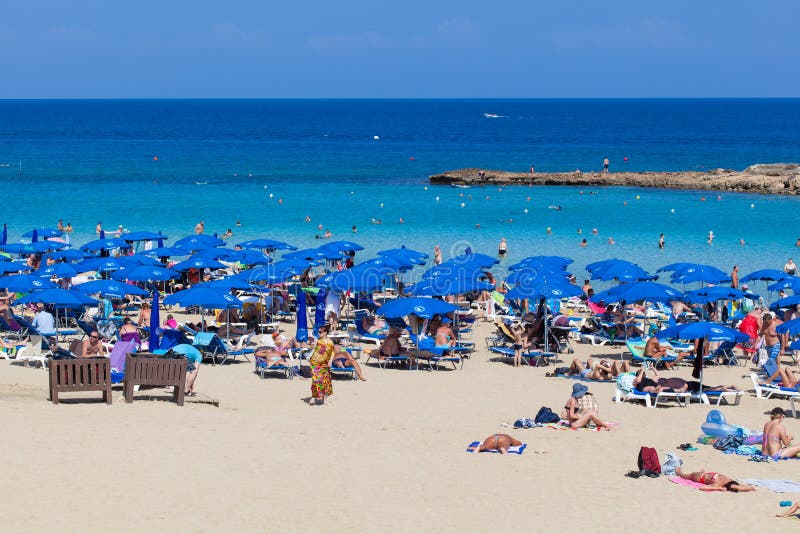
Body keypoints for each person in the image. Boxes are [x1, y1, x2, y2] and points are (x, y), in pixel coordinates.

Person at [309, 325, 335, 405]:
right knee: (315, 380)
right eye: (318, 332)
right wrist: (311, 346)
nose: (319, 333)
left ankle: (325, 400)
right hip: (315, 363)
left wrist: (330, 360)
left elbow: (332, 352)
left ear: (325, 332)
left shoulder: (330, 342)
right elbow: (313, 349)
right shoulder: (317, 341)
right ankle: (313, 397)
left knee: (326, 381)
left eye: (320, 332)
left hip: (324, 364)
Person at [675, 467, 755, 492]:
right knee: (695, 474)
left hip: (700, 477)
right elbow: (742, 487)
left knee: (685, 476)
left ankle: (679, 472)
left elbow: (701, 487)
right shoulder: (728, 481)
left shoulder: (721, 482)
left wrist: (718, 488)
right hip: (708, 475)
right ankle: (679, 472)